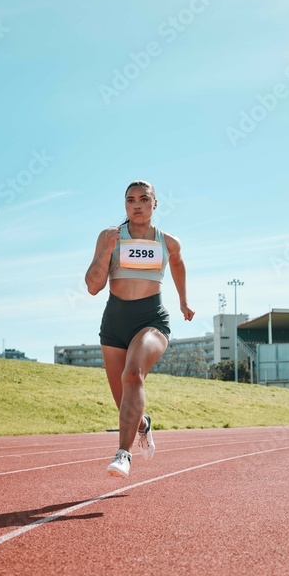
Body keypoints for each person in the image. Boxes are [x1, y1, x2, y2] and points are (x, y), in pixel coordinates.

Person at [85, 180, 194, 478]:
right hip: (114, 322)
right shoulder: (109, 237)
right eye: (130, 199)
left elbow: (178, 265)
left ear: (154, 204)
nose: (137, 204)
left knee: (133, 374)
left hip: (151, 320)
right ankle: (143, 424)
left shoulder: (168, 242)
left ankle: (123, 454)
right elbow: (93, 286)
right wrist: (107, 251)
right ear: (125, 205)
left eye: (144, 199)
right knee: (124, 402)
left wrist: (184, 302)